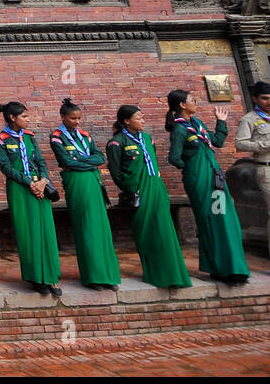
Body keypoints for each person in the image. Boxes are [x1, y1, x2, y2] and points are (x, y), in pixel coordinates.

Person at [165, 89, 249, 284]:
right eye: (192, 100)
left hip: (215, 176)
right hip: (200, 180)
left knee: (226, 218)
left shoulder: (198, 124)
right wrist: (193, 169)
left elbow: (217, 141)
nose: (196, 102)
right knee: (211, 220)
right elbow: (174, 158)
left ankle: (233, 267)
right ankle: (221, 268)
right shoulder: (179, 129)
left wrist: (221, 121)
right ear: (182, 105)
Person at [105, 106, 190, 289]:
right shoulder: (117, 142)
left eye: (143, 118)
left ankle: (173, 275)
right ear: (127, 121)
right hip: (139, 192)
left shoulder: (147, 138)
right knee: (147, 232)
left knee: (165, 230)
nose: (143, 121)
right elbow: (115, 171)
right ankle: (155, 274)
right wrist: (129, 188)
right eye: (139, 118)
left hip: (157, 188)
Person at [49, 98, 120, 290]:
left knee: (102, 228)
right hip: (77, 182)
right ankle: (93, 277)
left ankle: (109, 275)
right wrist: (88, 161)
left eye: (79, 118)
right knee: (86, 228)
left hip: (93, 181)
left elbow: (100, 157)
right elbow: (67, 162)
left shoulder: (85, 136)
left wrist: (81, 159)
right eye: (73, 118)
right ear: (63, 117)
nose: (77, 122)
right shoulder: (56, 137)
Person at [0, 101, 61, 296]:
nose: (28, 119)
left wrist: (42, 181)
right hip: (19, 188)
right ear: (13, 118)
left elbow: (40, 161)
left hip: (40, 185)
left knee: (46, 231)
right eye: (24, 116)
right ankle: (36, 278)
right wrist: (29, 183)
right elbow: (6, 167)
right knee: (28, 233)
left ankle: (51, 277)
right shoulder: (1, 139)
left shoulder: (30, 137)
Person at [234, 80, 270, 255]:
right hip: (267, 169)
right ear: (255, 99)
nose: (269, 101)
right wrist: (265, 145)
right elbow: (240, 144)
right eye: (264, 98)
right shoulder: (249, 119)